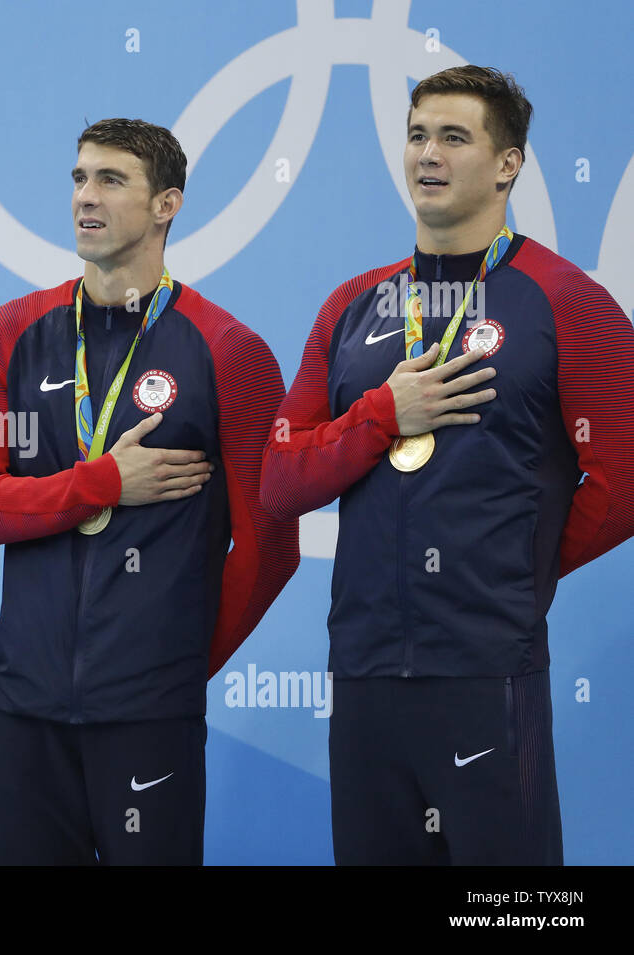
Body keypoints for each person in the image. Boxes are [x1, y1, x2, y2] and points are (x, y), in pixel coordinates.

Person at [261, 66, 634, 865]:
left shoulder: (567, 300)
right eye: (417, 135)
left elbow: (625, 482)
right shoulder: (354, 305)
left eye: (454, 137)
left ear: (508, 164)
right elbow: (281, 481)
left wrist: (512, 568)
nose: (427, 154)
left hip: (487, 673)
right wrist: (380, 416)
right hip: (364, 672)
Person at [0, 118, 299, 865]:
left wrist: (175, 663)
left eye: (110, 180)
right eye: (79, 178)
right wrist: (100, 483)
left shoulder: (231, 352)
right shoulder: (9, 333)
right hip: (22, 710)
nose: (85, 196)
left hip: (150, 715)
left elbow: (270, 547)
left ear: (166, 204)